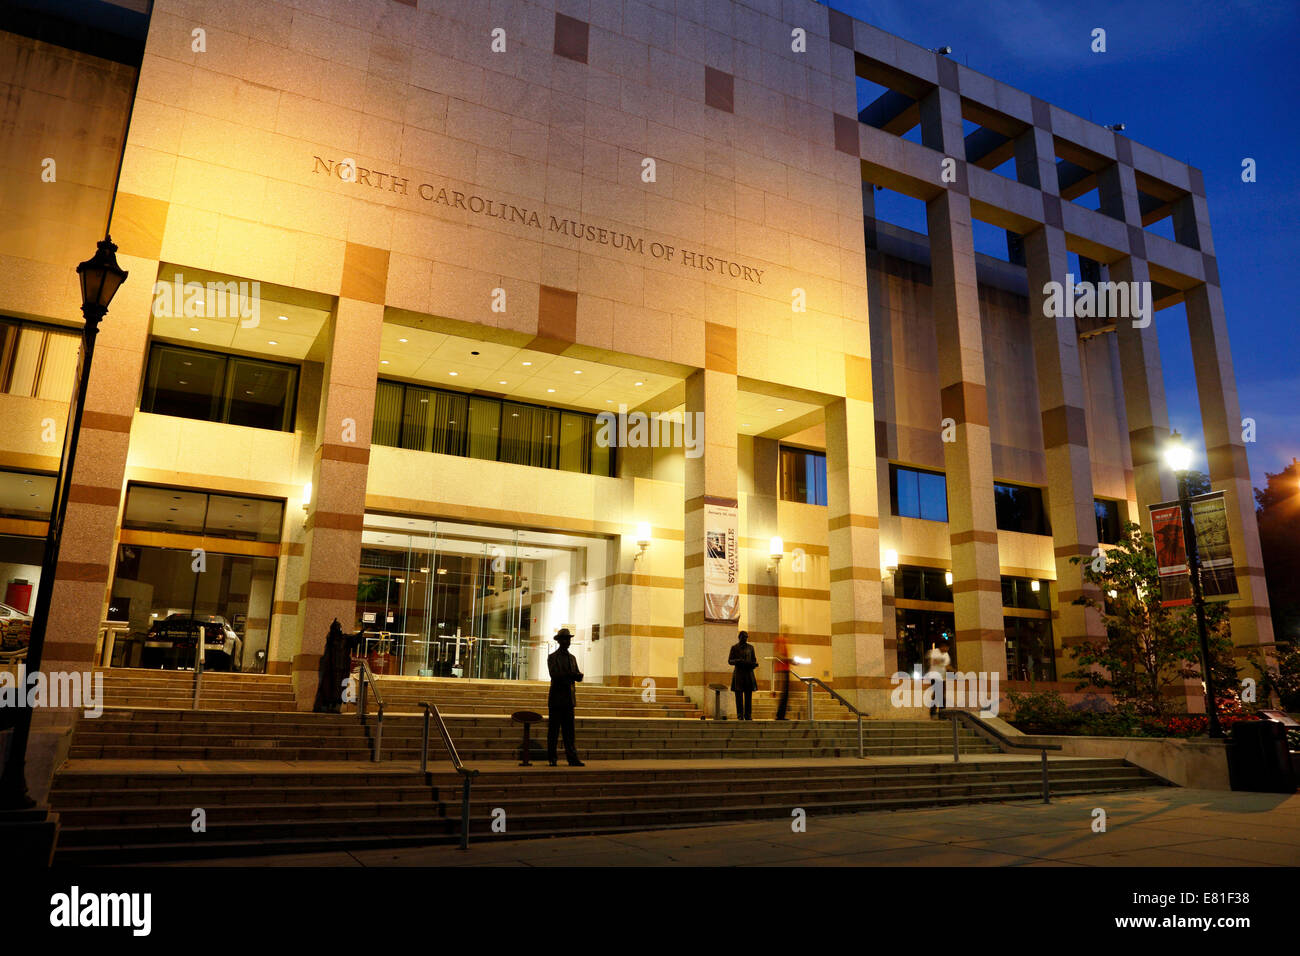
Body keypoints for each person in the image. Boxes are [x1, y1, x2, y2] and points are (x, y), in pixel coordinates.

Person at [546, 628, 584, 766]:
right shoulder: (552, 657)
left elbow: (576, 674)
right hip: (556, 699)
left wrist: (577, 676)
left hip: (568, 699)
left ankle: (572, 757)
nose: (567, 641)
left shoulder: (572, 658)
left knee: (569, 732)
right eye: (565, 639)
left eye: (568, 639)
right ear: (559, 641)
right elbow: (555, 675)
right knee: (553, 731)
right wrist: (571, 674)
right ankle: (552, 758)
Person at [313, 619, 361, 713]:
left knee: (340, 688)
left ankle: (336, 706)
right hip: (332, 669)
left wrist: (360, 634)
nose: (339, 629)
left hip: (342, 668)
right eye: (337, 627)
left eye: (339, 627)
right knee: (330, 687)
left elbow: (354, 640)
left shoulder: (345, 638)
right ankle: (329, 705)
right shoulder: (331, 639)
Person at [728, 630, 758, 720]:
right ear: (739, 637)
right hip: (739, 674)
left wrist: (754, 664)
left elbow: (754, 659)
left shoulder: (751, 648)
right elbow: (730, 661)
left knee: (748, 695)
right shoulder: (734, 648)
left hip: (748, 674)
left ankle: (748, 715)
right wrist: (737, 661)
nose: (745, 639)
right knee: (739, 696)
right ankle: (740, 714)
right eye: (744, 637)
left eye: (746, 637)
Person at [924, 641, 951, 718]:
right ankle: (936, 713)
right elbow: (931, 661)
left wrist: (955, 671)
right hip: (934, 676)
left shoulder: (946, 655)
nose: (947, 650)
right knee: (938, 694)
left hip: (942, 678)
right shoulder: (934, 652)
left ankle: (941, 713)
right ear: (943, 647)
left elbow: (947, 666)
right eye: (946, 648)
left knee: (941, 694)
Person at [773, 631, 791, 720]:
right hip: (782, 670)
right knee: (784, 693)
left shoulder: (784, 641)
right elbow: (778, 656)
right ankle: (780, 715)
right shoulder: (781, 641)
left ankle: (781, 715)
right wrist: (790, 660)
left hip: (784, 669)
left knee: (785, 693)